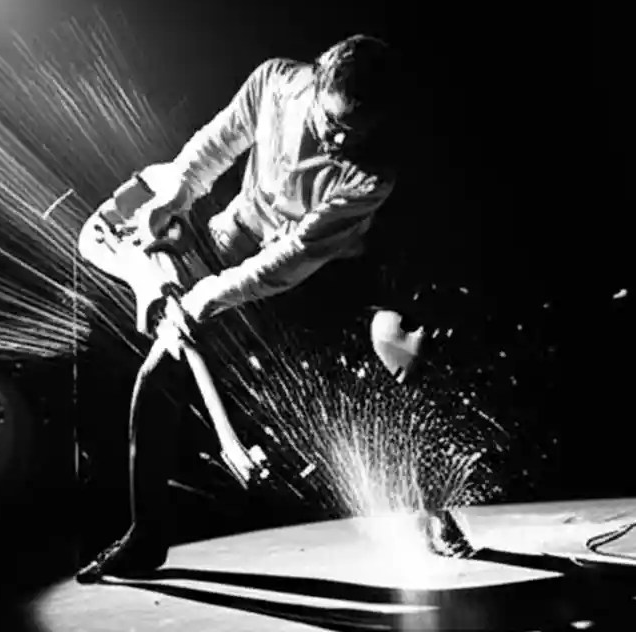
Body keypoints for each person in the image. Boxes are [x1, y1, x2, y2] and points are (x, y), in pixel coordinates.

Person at [76, 35, 468, 583]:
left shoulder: (373, 175)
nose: (338, 139)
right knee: (156, 379)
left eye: (355, 132)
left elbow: (289, 260)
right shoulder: (275, 82)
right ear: (316, 82)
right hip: (231, 245)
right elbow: (216, 144)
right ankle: (147, 537)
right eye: (332, 122)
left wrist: (206, 295)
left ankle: (433, 511)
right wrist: (177, 194)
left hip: (320, 281)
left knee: (389, 373)